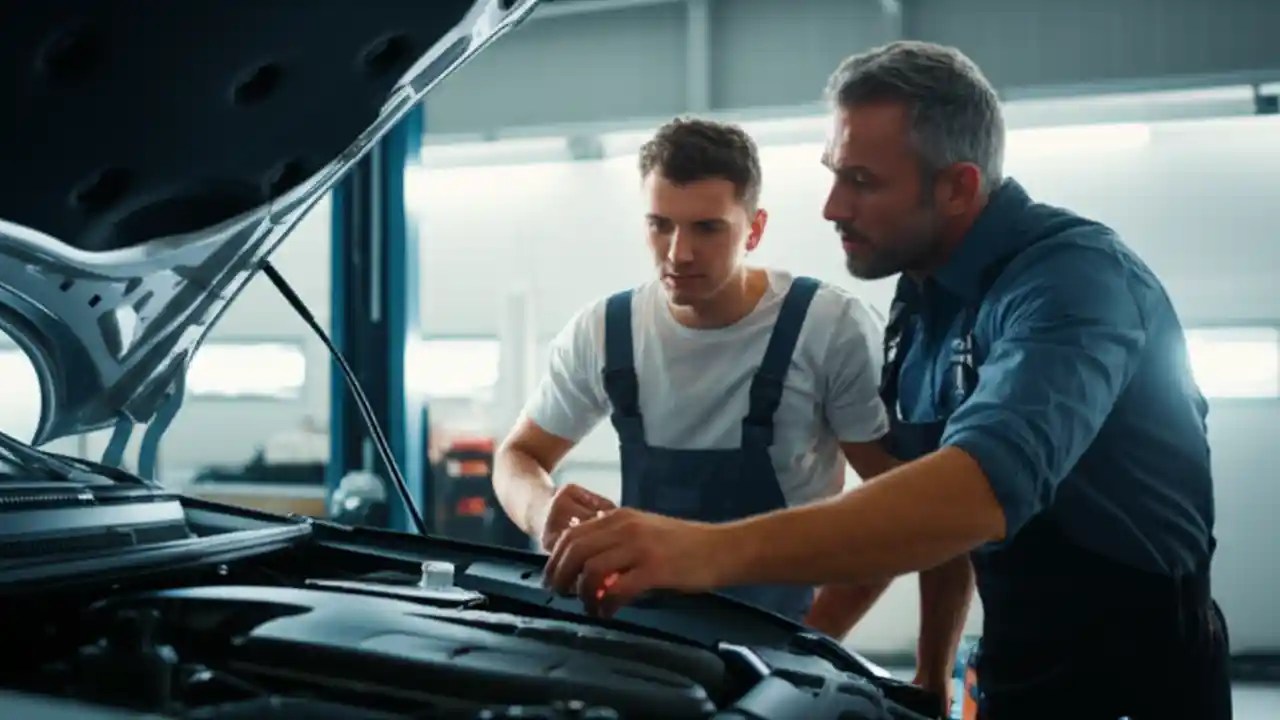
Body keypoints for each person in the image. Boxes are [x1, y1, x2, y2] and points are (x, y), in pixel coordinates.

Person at [542, 41, 1232, 720]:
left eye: (862, 181)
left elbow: (971, 493)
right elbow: (923, 487)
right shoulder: (922, 299)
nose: (832, 207)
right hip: (1018, 655)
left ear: (958, 186)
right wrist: (933, 673)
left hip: (1136, 675)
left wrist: (694, 550)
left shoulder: (1074, 282)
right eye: (833, 174)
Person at [491, 118, 968, 689]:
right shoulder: (605, 332)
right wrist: (539, 509)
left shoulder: (826, 330)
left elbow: (920, 513)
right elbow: (517, 456)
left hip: (784, 653)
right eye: (660, 224)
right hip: (638, 655)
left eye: (707, 228)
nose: (679, 252)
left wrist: (850, 654)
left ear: (755, 228)